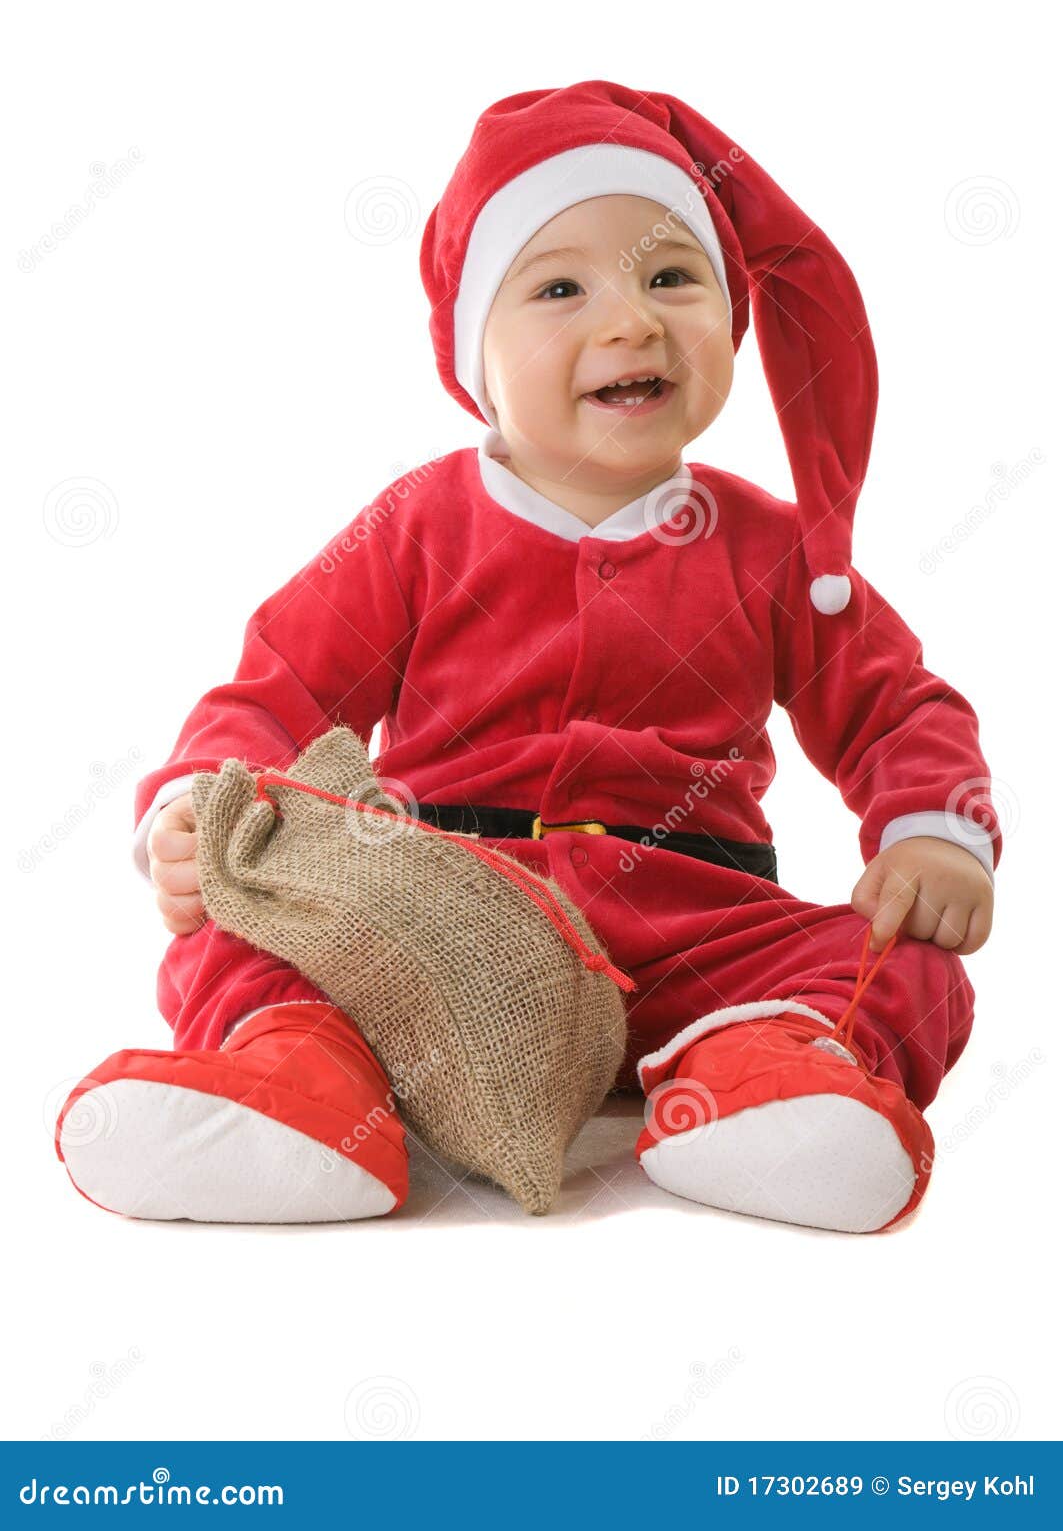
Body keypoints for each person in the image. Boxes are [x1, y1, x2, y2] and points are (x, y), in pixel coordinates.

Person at [55, 81, 999, 1233]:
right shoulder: (418, 524)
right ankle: (294, 1081)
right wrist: (202, 806)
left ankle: (764, 1072)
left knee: (900, 960)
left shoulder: (769, 547)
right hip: (443, 917)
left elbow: (896, 705)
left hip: (697, 920)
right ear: (472, 354)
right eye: (561, 287)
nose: (631, 323)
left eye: (670, 277)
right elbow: (281, 689)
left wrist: (929, 832)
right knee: (242, 928)